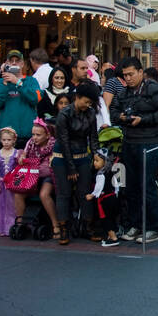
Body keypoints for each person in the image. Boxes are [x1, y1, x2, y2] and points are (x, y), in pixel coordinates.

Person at [109, 58, 158, 244]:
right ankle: (135, 224)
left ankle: (153, 227)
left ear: (141, 72)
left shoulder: (154, 88)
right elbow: (112, 112)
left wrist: (142, 120)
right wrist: (120, 117)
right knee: (132, 187)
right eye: (125, 75)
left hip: (148, 143)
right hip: (129, 142)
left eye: (131, 74)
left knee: (147, 186)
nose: (128, 78)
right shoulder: (124, 92)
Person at [52, 82, 100, 246]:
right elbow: (63, 141)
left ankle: (87, 226)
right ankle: (64, 227)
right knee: (64, 193)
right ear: (77, 97)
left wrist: (96, 156)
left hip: (82, 155)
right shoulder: (64, 114)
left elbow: (93, 138)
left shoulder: (91, 113)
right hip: (62, 157)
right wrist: (70, 167)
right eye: (86, 101)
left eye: (90, 103)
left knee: (85, 192)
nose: (88, 105)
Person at [12, 119, 58, 238]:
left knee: (44, 194)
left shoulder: (54, 145)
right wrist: (22, 157)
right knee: (18, 192)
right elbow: (24, 155)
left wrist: (33, 165)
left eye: (38, 135)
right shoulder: (30, 143)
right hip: (32, 175)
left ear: (47, 135)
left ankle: (56, 225)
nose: (35, 137)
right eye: (33, 134)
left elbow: (49, 167)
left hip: (49, 176)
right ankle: (20, 223)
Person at [0, 58, 40, 143]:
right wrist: (5, 82)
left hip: (27, 136)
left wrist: (18, 82)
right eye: (11, 61)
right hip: (5, 138)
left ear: (22, 64)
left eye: (17, 61)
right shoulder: (0, 82)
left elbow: (35, 99)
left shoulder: (31, 80)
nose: (14, 63)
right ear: (6, 64)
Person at [0, 128, 19, 236]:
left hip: (12, 184)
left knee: (11, 207)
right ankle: (1, 227)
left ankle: (11, 227)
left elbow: (19, 169)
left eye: (9, 140)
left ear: (14, 140)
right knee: (0, 206)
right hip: (1, 183)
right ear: (0, 140)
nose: (6, 142)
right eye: (4, 140)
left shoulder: (17, 153)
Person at [86, 148, 121, 246]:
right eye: (94, 160)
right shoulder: (111, 172)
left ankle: (113, 238)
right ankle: (112, 235)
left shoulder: (100, 174)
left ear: (105, 161)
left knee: (105, 218)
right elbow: (116, 185)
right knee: (111, 217)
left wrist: (92, 195)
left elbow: (99, 188)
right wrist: (116, 193)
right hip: (113, 197)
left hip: (105, 199)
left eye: (97, 161)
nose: (94, 163)